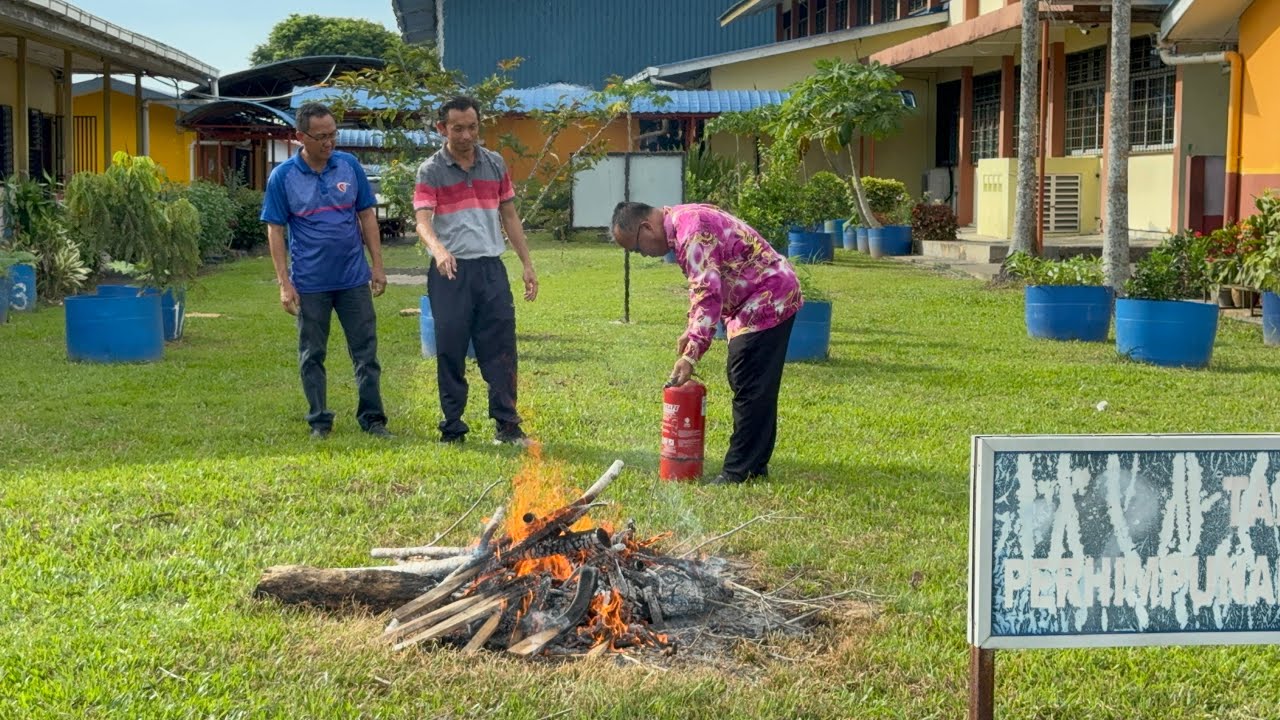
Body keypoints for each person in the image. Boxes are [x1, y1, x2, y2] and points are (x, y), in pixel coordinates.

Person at [610, 202, 802, 485]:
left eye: (638, 248)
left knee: (749, 379)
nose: (644, 254)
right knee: (752, 381)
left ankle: (740, 471)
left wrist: (691, 355)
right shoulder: (682, 223)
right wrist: (691, 329)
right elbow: (703, 285)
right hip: (755, 299)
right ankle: (753, 466)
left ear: (646, 227)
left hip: (768, 296)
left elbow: (707, 293)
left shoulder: (691, 230)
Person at [261, 102, 391, 440]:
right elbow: (275, 230)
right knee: (312, 354)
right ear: (300, 136)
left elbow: (366, 216)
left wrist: (377, 265)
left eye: (333, 134)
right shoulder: (283, 177)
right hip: (310, 283)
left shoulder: (349, 166)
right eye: (321, 137)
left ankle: (373, 419)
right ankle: (319, 421)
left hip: (353, 280)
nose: (329, 142)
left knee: (366, 352)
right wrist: (284, 284)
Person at [413, 95, 539, 445]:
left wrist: (527, 263)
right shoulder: (431, 170)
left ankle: (507, 425)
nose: (466, 136)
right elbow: (423, 220)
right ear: (442, 128)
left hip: (490, 270)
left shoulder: (494, 163)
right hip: (450, 272)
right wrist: (439, 250)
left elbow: (509, 216)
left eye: (472, 127)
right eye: (458, 129)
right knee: (450, 349)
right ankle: (453, 426)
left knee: (501, 348)